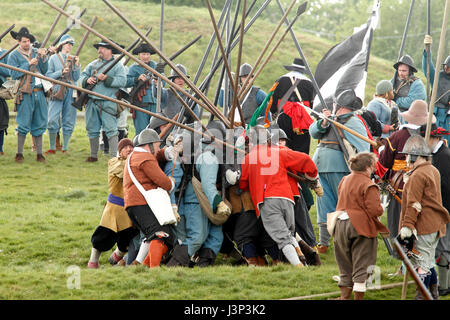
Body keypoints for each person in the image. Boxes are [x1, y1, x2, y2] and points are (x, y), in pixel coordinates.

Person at [239, 124, 319, 267]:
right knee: (288, 233)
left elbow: (243, 184)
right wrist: (312, 177)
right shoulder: (279, 152)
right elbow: (306, 160)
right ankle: (303, 262)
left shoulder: (249, 158)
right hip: (288, 199)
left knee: (283, 238)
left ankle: (298, 267)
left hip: (267, 200)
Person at [309, 89, 370, 253]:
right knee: (324, 204)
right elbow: (313, 132)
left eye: (336, 104)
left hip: (340, 167)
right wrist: (324, 122)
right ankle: (324, 243)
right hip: (320, 166)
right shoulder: (329, 119)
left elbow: (364, 148)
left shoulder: (353, 122)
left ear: (341, 106)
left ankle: (344, 241)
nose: (334, 105)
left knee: (343, 206)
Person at [398, 135, 450, 300]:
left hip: (423, 227)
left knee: (422, 266)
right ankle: (433, 295)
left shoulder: (418, 175)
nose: (406, 158)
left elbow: (414, 204)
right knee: (427, 263)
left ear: (414, 156)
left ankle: (422, 297)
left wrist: (407, 226)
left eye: (407, 155)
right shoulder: (432, 169)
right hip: (434, 225)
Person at [332, 152, 389, 300]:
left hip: (340, 224)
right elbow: (374, 210)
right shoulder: (369, 184)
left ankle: (344, 297)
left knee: (344, 265)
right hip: (360, 227)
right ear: (369, 167)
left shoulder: (344, 180)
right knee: (362, 265)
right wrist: (382, 206)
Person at [379, 100, 436, 246]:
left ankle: (399, 251)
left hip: (399, 185)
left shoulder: (397, 136)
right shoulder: (429, 135)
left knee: (397, 219)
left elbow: (385, 162)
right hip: (424, 183)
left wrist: (381, 151)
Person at [123, 128, 179, 268]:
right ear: (149, 144)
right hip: (141, 204)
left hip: (134, 205)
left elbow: (155, 155)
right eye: (156, 145)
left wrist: (165, 152)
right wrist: (171, 182)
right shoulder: (145, 158)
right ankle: (154, 269)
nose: (158, 147)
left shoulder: (135, 155)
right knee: (160, 235)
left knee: (157, 235)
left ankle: (143, 267)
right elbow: (164, 182)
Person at [87, 138, 139, 268]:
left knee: (128, 236)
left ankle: (116, 257)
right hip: (114, 209)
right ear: (119, 151)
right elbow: (125, 171)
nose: (129, 149)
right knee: (103, 235)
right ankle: (93, 261)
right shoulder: (114, 162)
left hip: (129, 209)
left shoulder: (135, 162)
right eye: (125, 148)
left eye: (131, 147)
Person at [79, 39, 127, 161]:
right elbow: (82, 76)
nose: (99, 50)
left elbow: (122, 81)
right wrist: (87, 80)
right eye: (99, 48)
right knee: (92, 129)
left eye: (103, 48)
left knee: (111, 130)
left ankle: (113, 158)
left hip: (108, 101)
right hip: (92, 101)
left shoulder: (118, 65)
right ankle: (93, 155)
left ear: (110, 50)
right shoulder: (93, 64)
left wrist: (106, 78)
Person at [8, 27, 49, 163]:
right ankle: (19, 154)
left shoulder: (36, 52)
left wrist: (44, 58)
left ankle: (39, 154)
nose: (27, 44)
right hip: (25, 93)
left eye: (28, 41)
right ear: (19, 42)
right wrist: (28, 65)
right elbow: (13, 74)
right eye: (24, 41)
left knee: (40, 123)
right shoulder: (14, 56)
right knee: (23, 124)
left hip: (39, 92)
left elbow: (44, 70)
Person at [419, 123, 450, 296]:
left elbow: (445, 186)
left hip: (445, 208)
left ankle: (445, 286)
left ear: (433, 138)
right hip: (441, 207)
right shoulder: (436, 154)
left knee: (443, 248)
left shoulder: (443, 156)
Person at [268, 58, 315, 155]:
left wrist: (274, 113)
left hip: (283, 117)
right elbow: (312, 105)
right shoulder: (310, 83)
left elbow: (272, 100)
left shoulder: (281, 80)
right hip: (302, 119)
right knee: (301, 150)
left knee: (281, 148)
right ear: (303, 70)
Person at [45, 34, 80, 155]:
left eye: (71, 44)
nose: (69, 46)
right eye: (67, 44)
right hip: (57, 89)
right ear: (62, 44)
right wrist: (60, 72)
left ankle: (65, 148)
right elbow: (48, 75)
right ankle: (52, 147)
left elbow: (76, 77)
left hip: (70, 90)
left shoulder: (73, 58)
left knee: (69, 119)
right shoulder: (54, 58)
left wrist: (76, 65)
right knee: (52, 119)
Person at [126, 43, 163, 135]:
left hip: (155, 104)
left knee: (155, 131)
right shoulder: (133, 68)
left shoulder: (156, 66)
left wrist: (158, 81)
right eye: (143, 54)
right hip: (140, 104)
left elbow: (164, 82)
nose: (146, 56)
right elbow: (126, 81)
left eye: (147, 54)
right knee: (141, 132)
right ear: (139, 55)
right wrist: (137, 79)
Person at [221, 63, 267, 127]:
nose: (247, 79)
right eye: (244, 77)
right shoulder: (233, 92)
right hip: (232, 128)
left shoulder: (259, 94)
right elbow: (221, 103)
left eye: (250, 77)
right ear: (240, 79)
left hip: (250, 131)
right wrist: (224, 87)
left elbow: (266, 117)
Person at [422, 35, 449, 144]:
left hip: (447, 117)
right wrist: (427, 50)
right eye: (446, 66)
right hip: (433, 113)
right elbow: (428, 68)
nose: (446, 68)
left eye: (449, 67)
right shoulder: (438, 76)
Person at [0, 41, 10, 156]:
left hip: (1, 90)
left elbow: (9, 71)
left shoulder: (5, 54)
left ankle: (0, 148)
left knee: (1, 123)